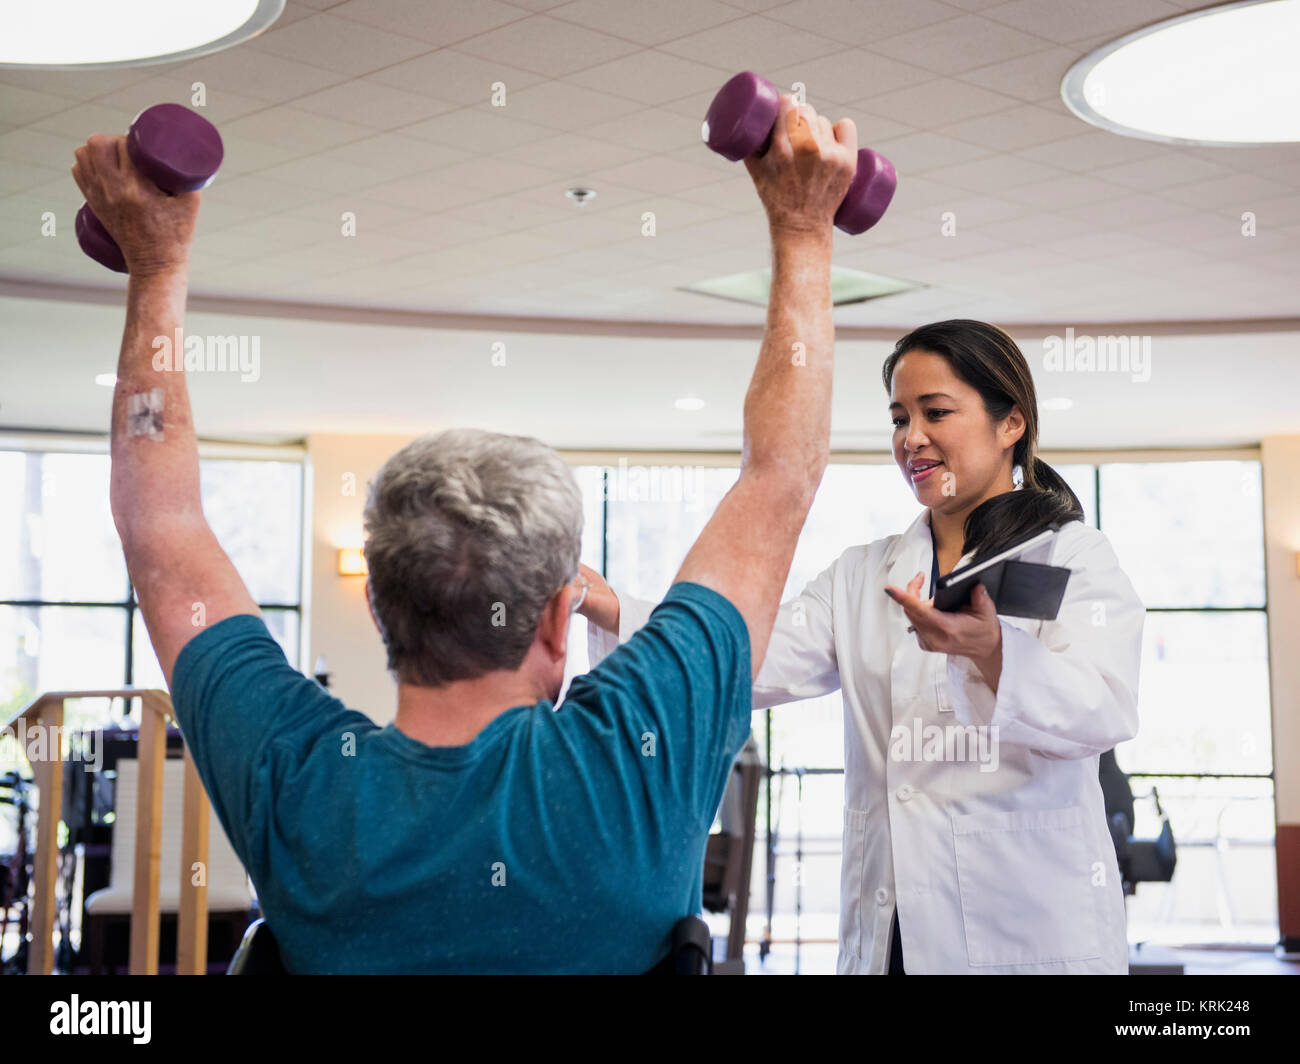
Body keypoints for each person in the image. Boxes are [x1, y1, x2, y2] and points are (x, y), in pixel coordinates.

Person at [70, 94, 860, 972]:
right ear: (562, 622)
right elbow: (780, 475)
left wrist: (155, 263)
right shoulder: (640, 760)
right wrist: (803, 232)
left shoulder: (300, 781)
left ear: (378, 608)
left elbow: (159, 521)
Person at [581, 319, 1145, 974]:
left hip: (1025, 933)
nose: (912, 439)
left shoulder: (1072, 557)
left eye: (936, 412)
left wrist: (993, 653)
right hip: (891, 932)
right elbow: (751, 655)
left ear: (1010, 423)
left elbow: (1103, 708)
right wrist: (613, 607)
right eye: (899, 417)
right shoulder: (864, 575)